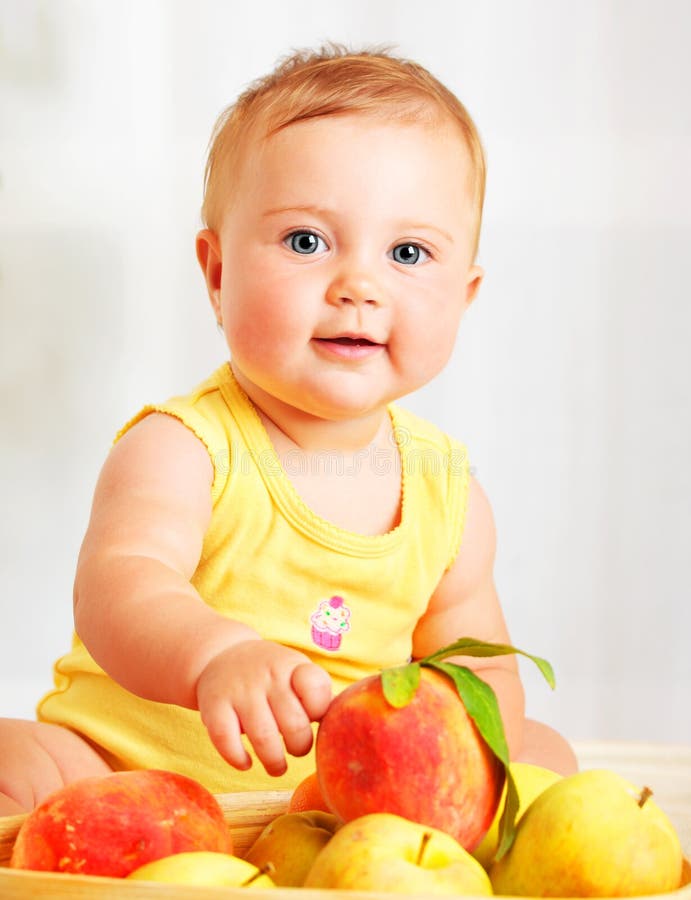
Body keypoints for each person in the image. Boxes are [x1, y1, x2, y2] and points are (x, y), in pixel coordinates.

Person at [0, 44, 577, 816]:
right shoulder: (184, 449)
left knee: (542, 753)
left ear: (465, 296)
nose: (358, 287)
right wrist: (215, 655)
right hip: (125, 778)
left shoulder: (449, 496)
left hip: (331, 803)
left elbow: (481, 672)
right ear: (216, 273)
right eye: (306, 241)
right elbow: (119, 588)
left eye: (408, 253)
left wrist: (462, 755)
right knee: (23, 765)